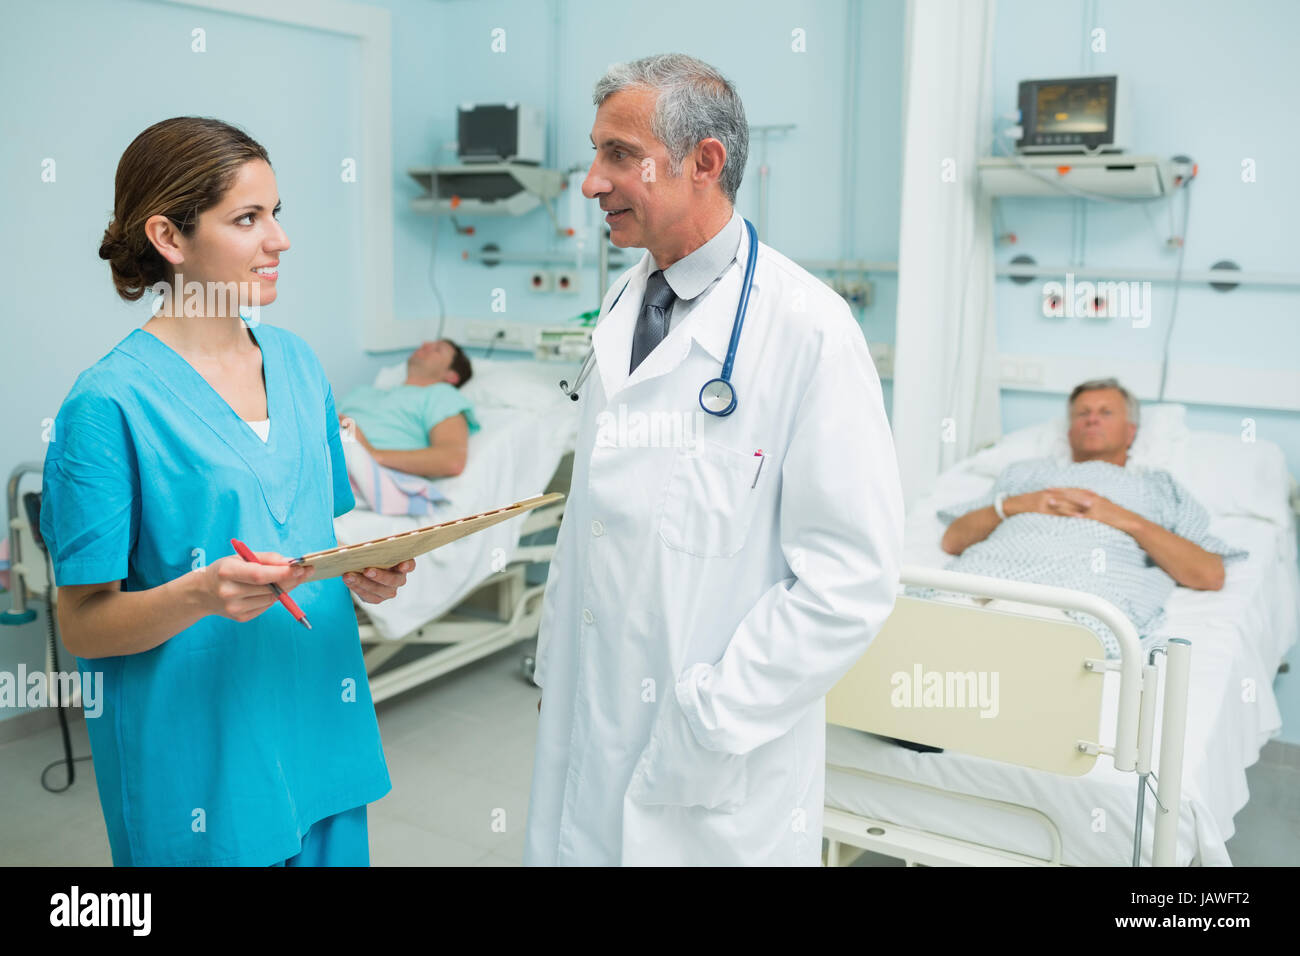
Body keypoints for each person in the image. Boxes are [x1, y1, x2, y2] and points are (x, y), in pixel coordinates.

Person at [524, 54, 905, 866]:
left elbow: (851, 578)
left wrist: (711, 717)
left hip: (711, 754)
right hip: (589, 720)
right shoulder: (625, 303)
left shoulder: (808, 328)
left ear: (705, 162)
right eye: (595, 155)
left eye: (620, 156)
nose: (591, 183)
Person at [40, 116, 413, 867]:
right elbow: (80, 624)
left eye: (277, 214)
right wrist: (201, 595)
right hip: (201, 759)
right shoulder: (107, 405)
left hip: (318, 719)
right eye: (248, 219)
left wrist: (364, 571)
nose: (279, 240)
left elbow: (312, 532)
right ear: (170, 240)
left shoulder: (298, 362)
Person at [935, 378, 1246, 658]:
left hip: (1080, 601)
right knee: (933, 626)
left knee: (1028, 650)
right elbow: (953, 540)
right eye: (1082, 413)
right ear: (1070, 431)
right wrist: (1015, 505)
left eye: (1105, 412)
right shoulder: (1026, 473)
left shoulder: (1158, 486)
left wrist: (1123, 519)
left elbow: (1209, 574)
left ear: (1131, 431)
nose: (1092, 419)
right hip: (983, 581)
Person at [338, 339, 478, 479]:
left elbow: (452, 460)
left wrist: (372, 454)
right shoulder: (362, 392)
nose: (425, 345)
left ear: (451, 376)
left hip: (367, 472)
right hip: (330, 454)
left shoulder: (442, 395)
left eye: (437, 349)